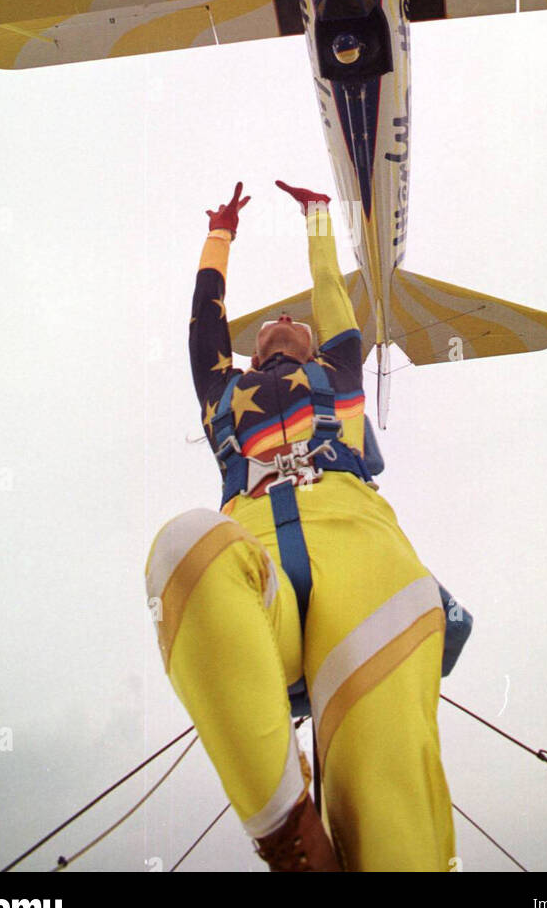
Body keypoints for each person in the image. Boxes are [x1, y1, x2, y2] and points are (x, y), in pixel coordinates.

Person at [145, 179, 455, 872]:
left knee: (390, 810)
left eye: (301, 323)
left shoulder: (340, 370)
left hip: (362, 560)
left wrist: (319, 218)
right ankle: (289, 834)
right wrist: (219, 235)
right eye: (263, 328)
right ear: (251, 354)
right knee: (182, 547)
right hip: (260, 572)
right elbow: (203, 322)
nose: (281, 323)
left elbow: (332, 296)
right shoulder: (222, 390)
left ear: (319, 343)